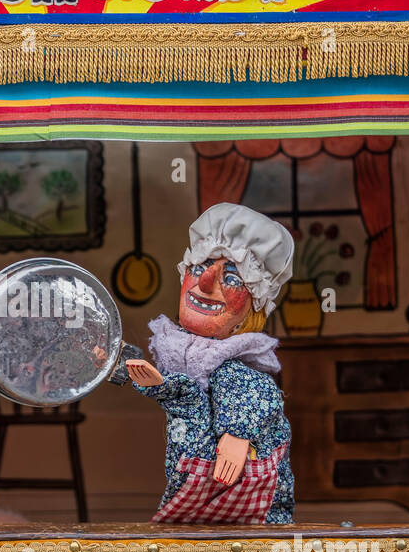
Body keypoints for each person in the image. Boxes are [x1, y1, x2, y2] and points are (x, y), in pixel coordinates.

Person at [126, 203, 294, 523]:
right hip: (201, 495)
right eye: (200, 264)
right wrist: (159, 383)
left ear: (255, 304)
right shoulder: (187, 358)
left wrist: (236, 434)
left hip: (245, 506)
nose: (204, 282)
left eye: (231, 276)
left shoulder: (231, 365)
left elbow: (257, 392)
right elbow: (192, 398)